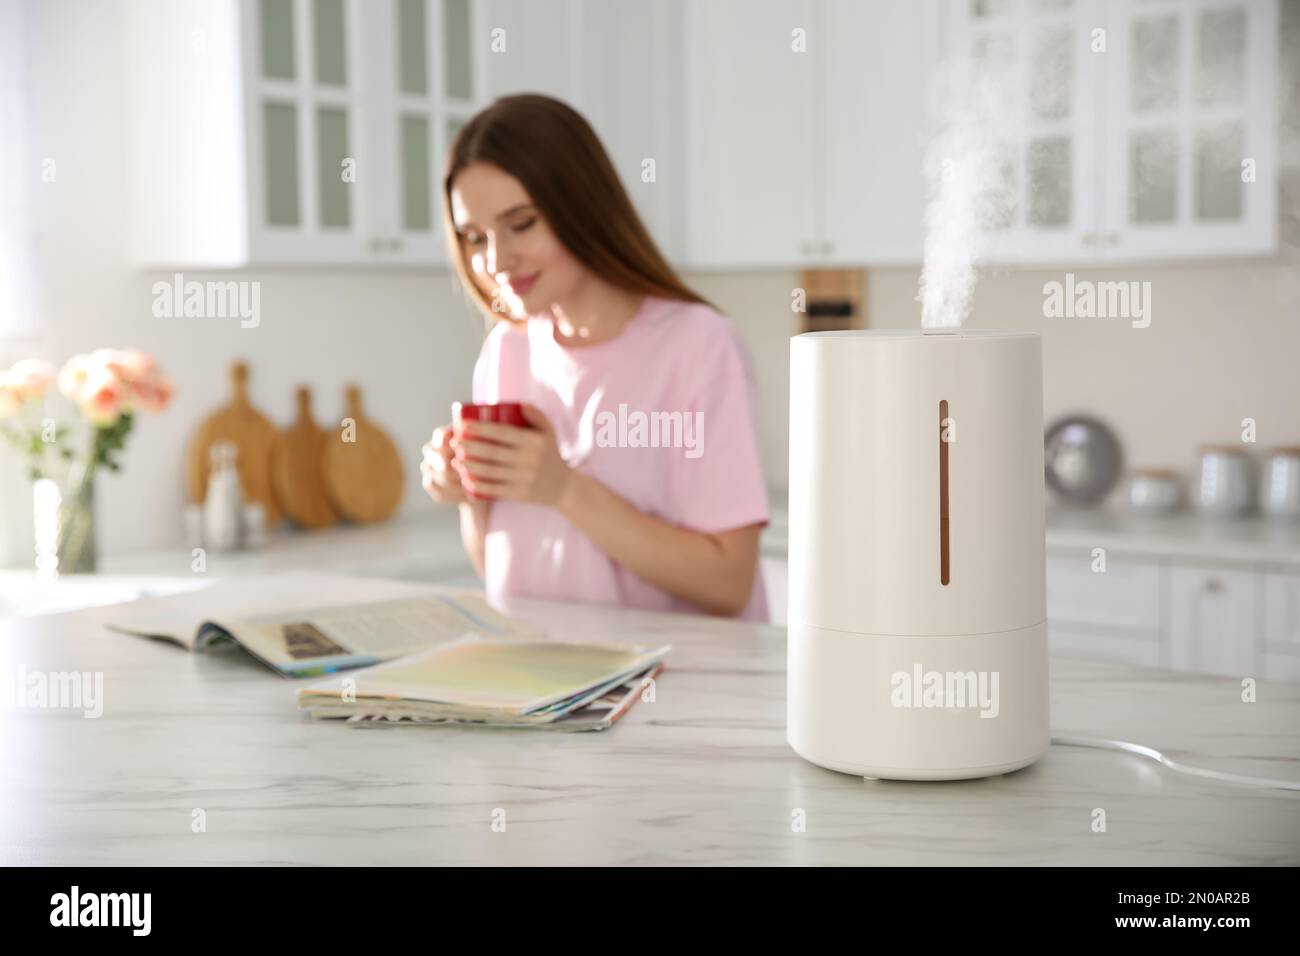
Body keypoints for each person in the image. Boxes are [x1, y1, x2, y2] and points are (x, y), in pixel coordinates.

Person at [421, 94, 769, 621]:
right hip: (541, 679)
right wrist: (470, 495)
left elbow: (728, 583)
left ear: (581, 204)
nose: (496, 260)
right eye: (474, 237)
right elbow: (503, 570)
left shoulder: (698, 347)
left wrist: (562, 488)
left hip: (673, 687)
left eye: (522, 223)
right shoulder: (506, 352)